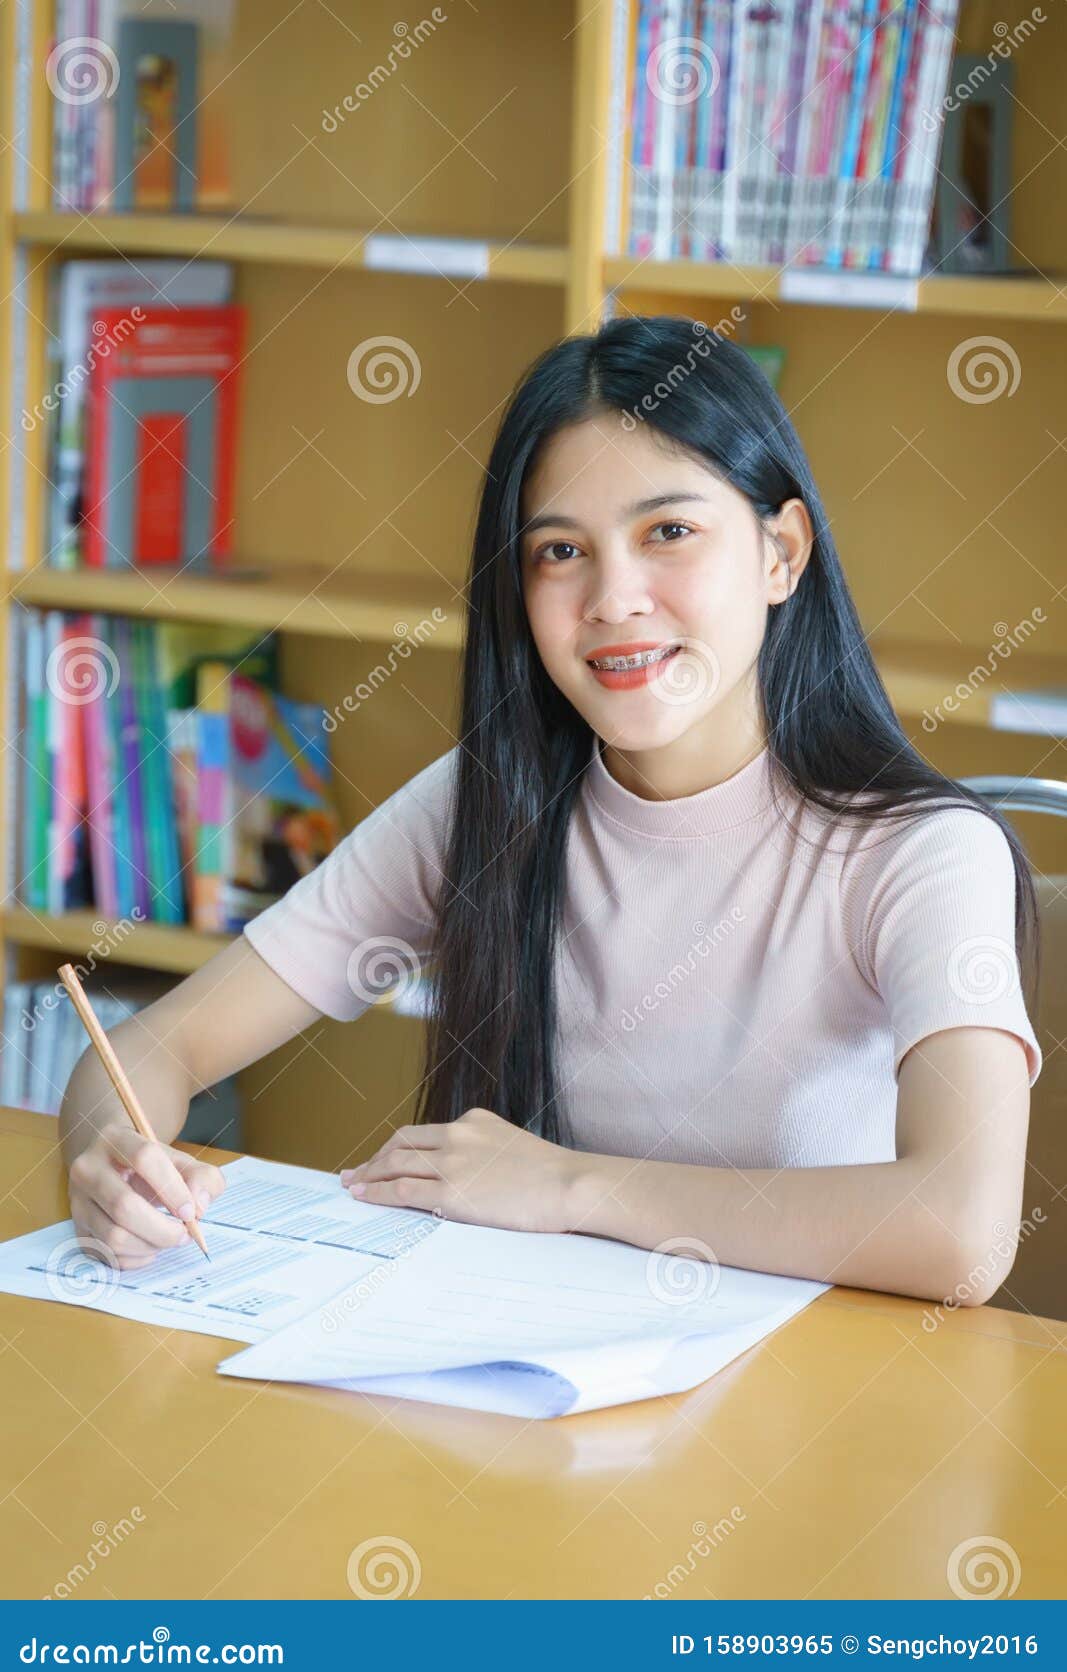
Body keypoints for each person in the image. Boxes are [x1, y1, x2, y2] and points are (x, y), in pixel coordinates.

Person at [59, 314, 1042, 1304]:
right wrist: (110, 1155)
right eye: (559, 552)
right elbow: (154, 1046)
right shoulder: (484, 802)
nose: (613, 598)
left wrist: (572, 1185)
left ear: (780, 552)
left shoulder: (919, 855)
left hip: (812, 1404)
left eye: (667, 532)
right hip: (533, 1390)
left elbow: (960, 1233)